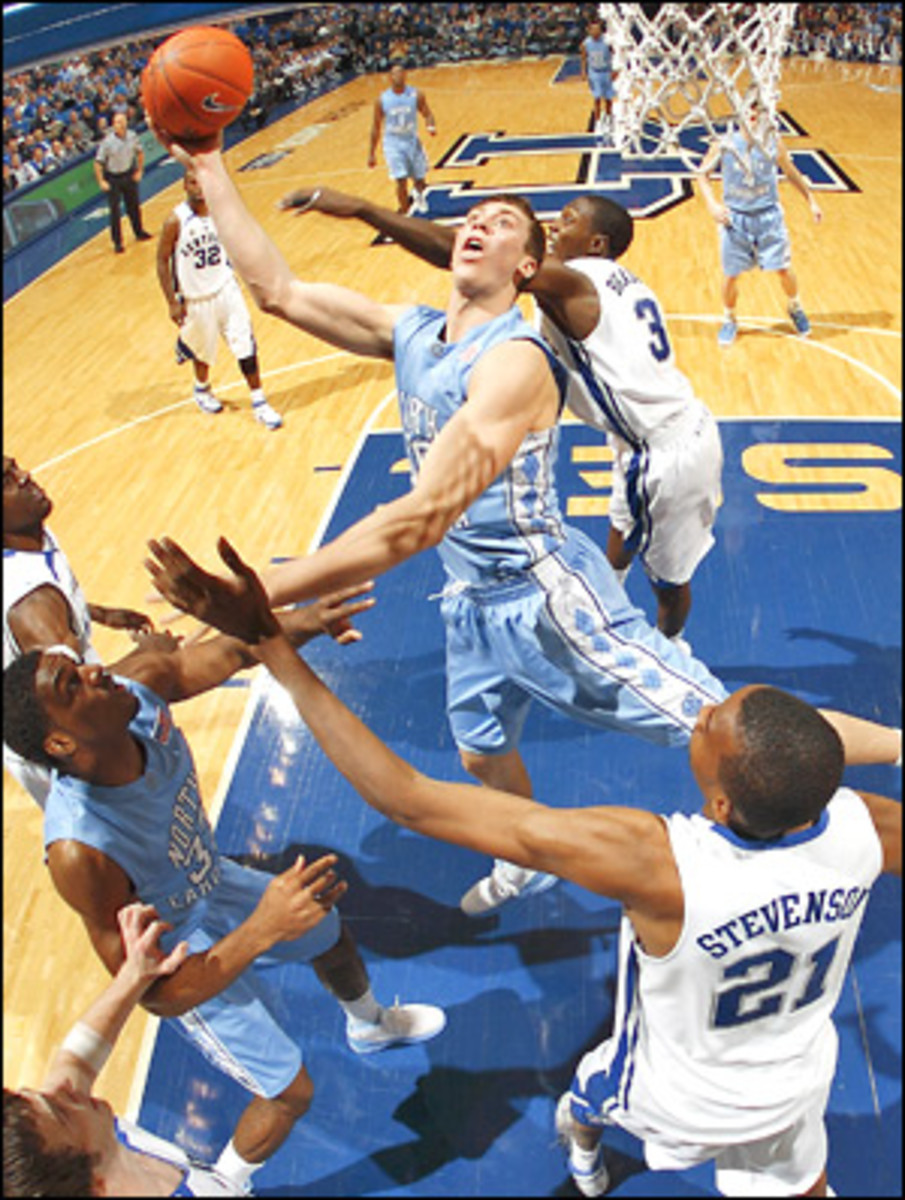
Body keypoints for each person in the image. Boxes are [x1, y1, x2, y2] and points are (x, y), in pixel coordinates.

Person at [145, 534, 902, 1200]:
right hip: (795, 1081)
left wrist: (269, 644)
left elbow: (406, 799)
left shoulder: (657, 863)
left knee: (585, 1098)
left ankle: (582, 1153)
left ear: (719, 806)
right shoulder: (865, 826)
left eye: (709, 722)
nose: (699, 710)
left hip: (676, 1093)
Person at [147, 128, 738, 918]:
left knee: (717, 728)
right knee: (478, 748)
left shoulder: (517, 356)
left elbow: (414, 522)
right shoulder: (413, 332)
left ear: (527, 267)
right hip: (466, 596)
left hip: (541, 591)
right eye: (475, 214)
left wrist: (261, 584)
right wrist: (213, 169)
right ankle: (529, 859)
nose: (479, 223)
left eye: (504, 222)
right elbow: (279, 291)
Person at [1, 587, 446, 1195]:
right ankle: (230, 1181)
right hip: (180, 946)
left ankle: (367, 1024)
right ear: (60, 744)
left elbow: (232, 654)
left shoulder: (133, 689)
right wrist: (264, 926)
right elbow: (157, 994)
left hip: (212, 877)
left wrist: (300, 624)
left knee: (329, 931)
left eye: (76, 664)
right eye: (71, 684)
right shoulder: (80, 852)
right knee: (290, 1094)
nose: (94, 668)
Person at [278, 186, 721, 650]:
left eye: (569, 220)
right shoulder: (620, 280)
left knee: (670, 579)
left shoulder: (576, 280)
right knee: (621, 529)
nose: (555, 226)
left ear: (597, 244)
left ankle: (672, 643)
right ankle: (607, 596)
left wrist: (365, 207)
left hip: (667, 456)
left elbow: (463, 255)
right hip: (640, 439)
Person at [4, 901, 246, 1195]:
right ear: (96, 1184)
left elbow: (77, 1059)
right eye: (61, 1111)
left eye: (36, 1095)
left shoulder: (74, 1140)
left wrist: (134, 975)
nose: (63, 1088)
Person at [3, 454, 157, 807]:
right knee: (121, 835)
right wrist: (150, 657)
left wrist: (99, 613)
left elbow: (59, 600)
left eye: (15, 467)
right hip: (64, 741)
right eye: (6, 481)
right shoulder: (31, 604)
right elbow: (70, 705)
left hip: (65, 703)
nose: (25, 476)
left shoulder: (30, 534)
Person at [156, 166, 283, 428]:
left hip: (226, 289)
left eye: (201, 183)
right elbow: (161, 260)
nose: (197, 188)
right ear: (184, 186)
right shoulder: (175, 221)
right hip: (196, 298)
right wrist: (171, 302)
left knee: (244, 344)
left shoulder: (219, 212)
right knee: (204, 351)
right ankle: (201, 388)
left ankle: (259, 401)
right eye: (192, 183)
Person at [696, 99, 823, 347]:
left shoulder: (773, 142)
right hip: (735, 218)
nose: (753, 114)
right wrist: (712, 204)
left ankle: (795, 306)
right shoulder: (724, 144)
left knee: (784, 269)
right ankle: (730, 319)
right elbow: (702, 175)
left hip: (768, 216)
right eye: (749, 109)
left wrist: (811, 200)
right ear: (739, 112)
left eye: (759, 110)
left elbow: (790, 172)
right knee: (731, 275)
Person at [368, 61, 437, 214]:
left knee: (420, 180)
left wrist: (430, 125)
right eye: (394, 73)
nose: (398, 76)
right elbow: (376, 126)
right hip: (393, 144)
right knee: (401, 180)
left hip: (412, 140)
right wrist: (371, 153)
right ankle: (405, 214)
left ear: (405, 75)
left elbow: (427, 113)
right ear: (390, 77)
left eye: (401, 72)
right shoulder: (382, 99)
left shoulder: (416, 94)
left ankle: (418, 195)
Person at [93, 110, 152, 254]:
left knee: (134, 205)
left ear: (126, 122)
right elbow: (98, 163)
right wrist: (101, 181)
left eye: (121, 121)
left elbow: (140, 152)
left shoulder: (132, 136)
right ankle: (118, 242)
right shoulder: (107, 142)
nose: (119, 124)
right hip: (113, 177)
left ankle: (139, 232)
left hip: (128, 173)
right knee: (115, 211)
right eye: (116, 122)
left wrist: (140, 170)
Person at [580, 18, 617, 143]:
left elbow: (615, 54)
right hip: (594, 72)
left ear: (600, 30)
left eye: (597, 29)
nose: (595, 32)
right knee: (596, 98)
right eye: (593, 29)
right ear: (589, 31)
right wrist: (584, 72)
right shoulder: (586, 44)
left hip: (606, 71)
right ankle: (597, 122)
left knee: (608, 98)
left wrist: (615, 70)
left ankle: (609, 119)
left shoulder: (607, 42)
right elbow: (584, 58)